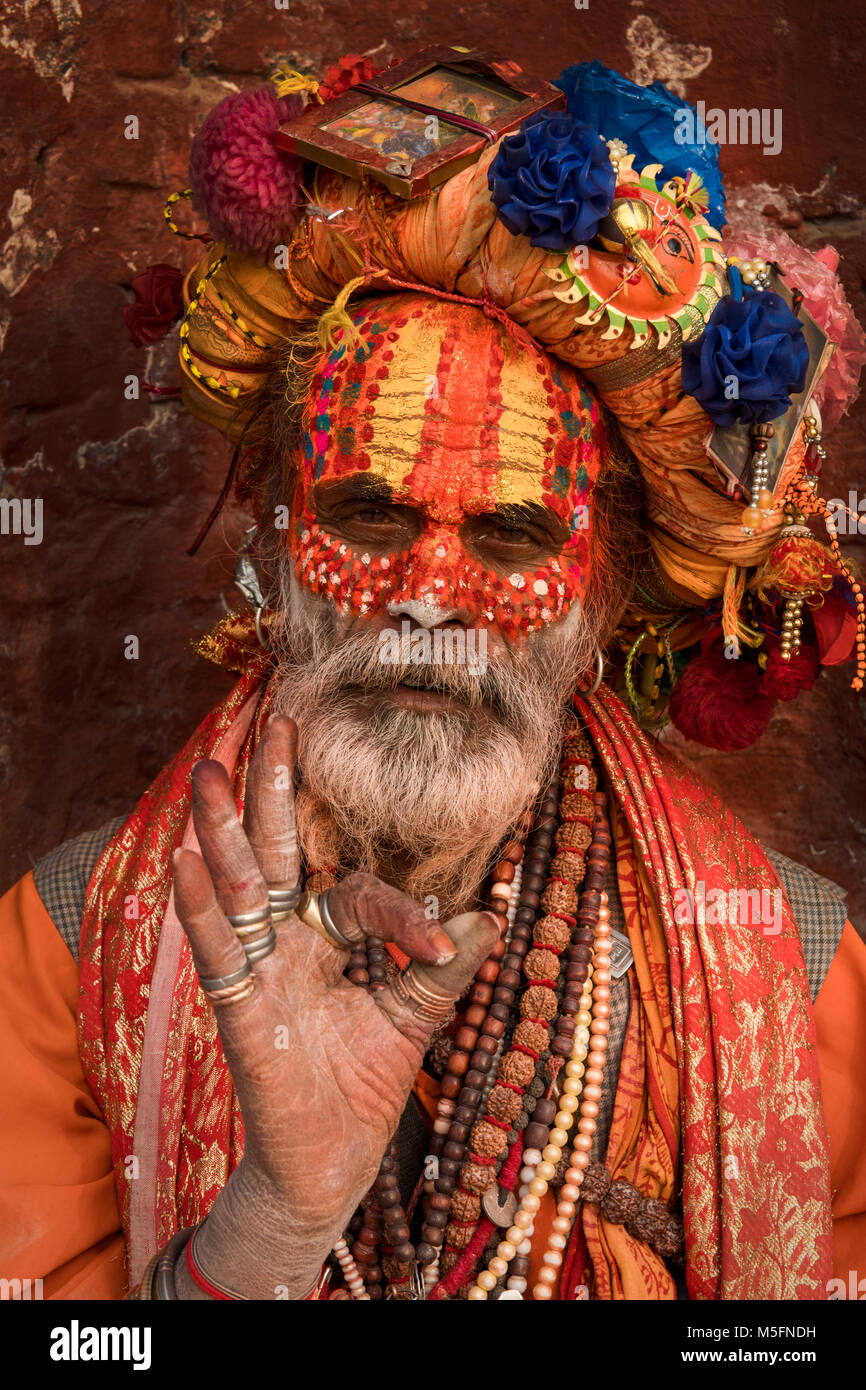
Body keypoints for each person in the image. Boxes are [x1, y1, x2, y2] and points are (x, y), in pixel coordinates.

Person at [2, 51, 865, 1302]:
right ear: (274, 544)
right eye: (367, 517)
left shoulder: (798, 965)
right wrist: (273, 1222)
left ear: (602, 591)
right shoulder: (67, 949)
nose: (429, 593)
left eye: (512, 535)